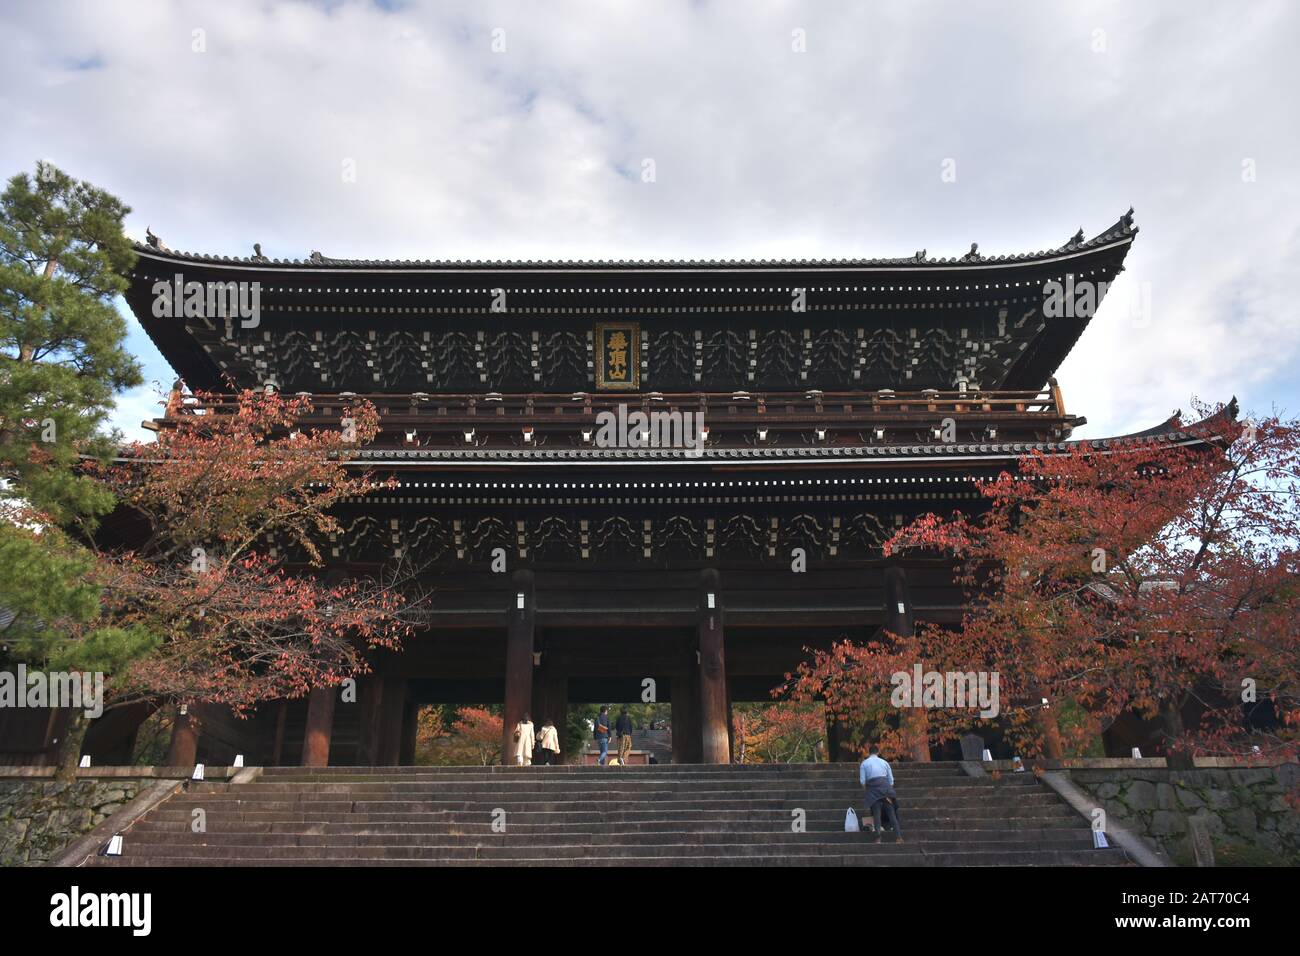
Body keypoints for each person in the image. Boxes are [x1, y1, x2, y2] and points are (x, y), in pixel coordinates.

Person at [858, 745, 903, 844]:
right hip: (886, 790)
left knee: (876, 815)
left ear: (869, 753)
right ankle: (898, 837)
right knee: (891, 814)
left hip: (873, 791)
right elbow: (891, 781)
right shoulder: (884, 762)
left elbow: (862, 781)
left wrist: (868, 790)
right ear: (878, 752)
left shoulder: (864, 764)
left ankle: (878, 838)